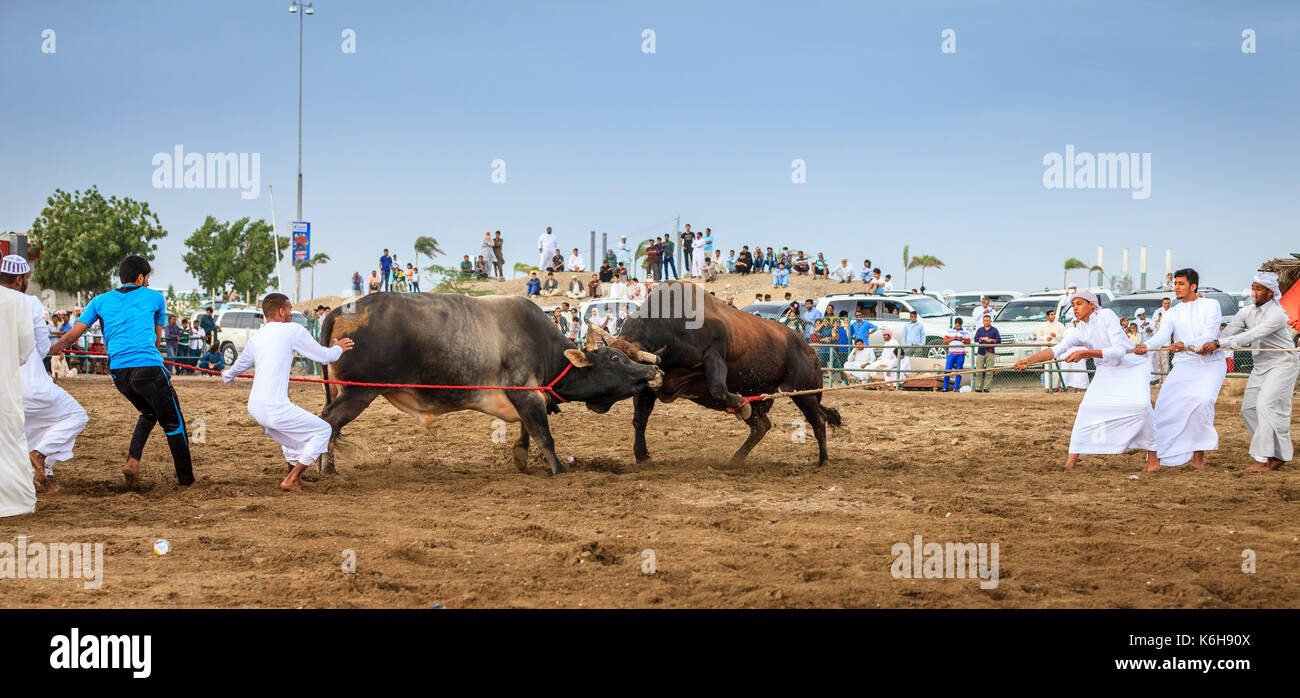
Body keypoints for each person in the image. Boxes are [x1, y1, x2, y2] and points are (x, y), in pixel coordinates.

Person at [49, 255, 195, 488]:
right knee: (174, 424)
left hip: (119, 374)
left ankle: (133, 461)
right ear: (140, 278)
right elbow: (157, 340)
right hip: (147, 367)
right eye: (147, 278)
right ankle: (187, 482)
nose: (147, 282)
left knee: (149, 413)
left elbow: (71, 336)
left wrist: (50, 350)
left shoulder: (99, 301)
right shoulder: (155, 297)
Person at [222, 294, 354, 492]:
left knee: (293, 440)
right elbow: (323, 357)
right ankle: (292, 478)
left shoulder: (257, 337)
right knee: (323, 430)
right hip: (275, 408)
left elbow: (239, 365)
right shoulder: (292, 330)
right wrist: (338, 348)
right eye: (290, 309)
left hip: (256, 408)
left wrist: (227, 374)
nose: (291, 313)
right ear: (282, 311)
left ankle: (295, 478)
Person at [1014, 290, 1158, 470]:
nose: (1075, 308)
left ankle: (1153, 460)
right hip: (1106, 369)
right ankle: (1071, 463)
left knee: (1142, 408)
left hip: (1131, 367)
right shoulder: (1077, 330)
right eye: (1073, 305)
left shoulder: (1106, 315)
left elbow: (1119, 351)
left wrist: (1085, 353)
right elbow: (1056, 350)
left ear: (1092, 305)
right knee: (1087, 409)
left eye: (1079, 303)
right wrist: (1028, 361)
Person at [1, 256, 88, 495]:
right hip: (30, 383)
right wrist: (55, 347)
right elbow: (41, 348)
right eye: (27, 278)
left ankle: (45, 478)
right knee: (75, 416)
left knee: (26, 427)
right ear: (20, 279)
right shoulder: (30, 303)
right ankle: (39, 454)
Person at [1134, 268, 1226, 470]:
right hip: (1184, 364)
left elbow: (1209, 334)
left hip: (1210, 365)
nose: (1176, 287)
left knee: (1201, 403)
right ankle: (1156, 458)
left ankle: (1198, 458)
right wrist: (1146, 346)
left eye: (1180, 283)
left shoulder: (1211, 305)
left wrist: (1186, 343)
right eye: (1175, 283)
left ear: (1193, 286)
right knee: (1164, 406)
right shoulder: (1173, 312)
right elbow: (1161, 336)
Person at [1209, 272, 1298, 472]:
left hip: (1283, 364)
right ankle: (1278, 454)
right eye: (1253, 288)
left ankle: (1264, 458)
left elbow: (1251, 335)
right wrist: (1208, 344)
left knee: (1265, 405)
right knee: (1248, 409)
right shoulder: (1246, 312)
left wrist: (1218, 343)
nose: (1254, 292)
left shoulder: (1277, 314)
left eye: (1259, 289)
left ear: (1270, 292)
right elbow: (1229, 332)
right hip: (1261, 365)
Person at [0, 272, 36, 517]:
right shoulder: (15, 300)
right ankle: (14, 503)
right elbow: (26, 348)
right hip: (5, 385)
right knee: (10, 441)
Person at [1035, 308, 1067, 392]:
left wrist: (1056, 335)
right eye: (1051, 314)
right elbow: (1038, 336)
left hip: (1057, 348)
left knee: (1057, 366)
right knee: (1047, 367)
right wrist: (1046, 338)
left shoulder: (1060, 325)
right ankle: (1048, 387)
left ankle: (1056, 386)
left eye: (1054, 314)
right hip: (1046, 348)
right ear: (1047, 316)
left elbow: (1065, 336)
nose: (1053, 316)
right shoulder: (1043, 326)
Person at [971, 314, 1001, 393]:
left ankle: (986, 387)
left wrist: (991, 340)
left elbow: (999, 340)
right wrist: (982, 338)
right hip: (981, 352)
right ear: (983, 321)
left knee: (989, 371)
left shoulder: (994, 330)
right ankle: (978, 387)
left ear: (990, 321)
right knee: (979, 370)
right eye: (985, 320)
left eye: (988, 320)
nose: (986, 322)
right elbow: (976, 339)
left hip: (990, 352)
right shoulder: (980, 330)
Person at [942, 318, 970, 392]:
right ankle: (945, 387)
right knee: (947, 370)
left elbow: (968, 342)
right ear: (955, 324)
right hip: (951, 353)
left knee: (958, 371)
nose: (958, 327)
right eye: (957, 325)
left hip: (961, 354)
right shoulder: (949, 331)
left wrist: (962, 339)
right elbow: (944, 341)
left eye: (960, 326)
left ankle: (955, 388)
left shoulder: (965, 331)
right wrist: (952, 338)